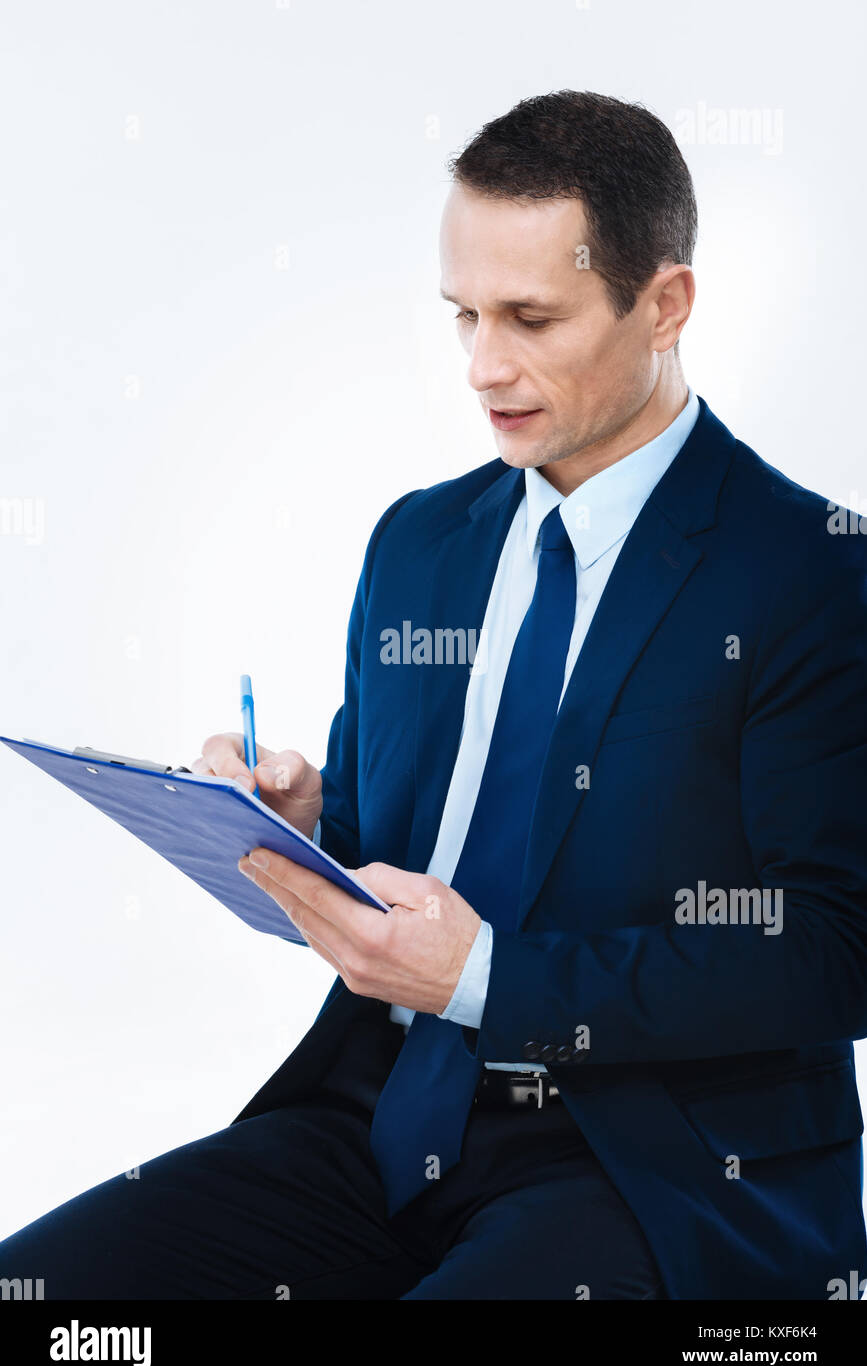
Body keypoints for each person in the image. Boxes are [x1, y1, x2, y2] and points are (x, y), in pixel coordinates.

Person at [2, 90, 866, 1301]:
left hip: (645, 1160)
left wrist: (487, 979)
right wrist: (299, 832)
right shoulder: (420, 545)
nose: (482, 367)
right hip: (381, 1120)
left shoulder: (815, 568)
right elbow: (400, 867)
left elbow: (835, 951)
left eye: (529, 318)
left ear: (665, 303)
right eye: (463, 315)